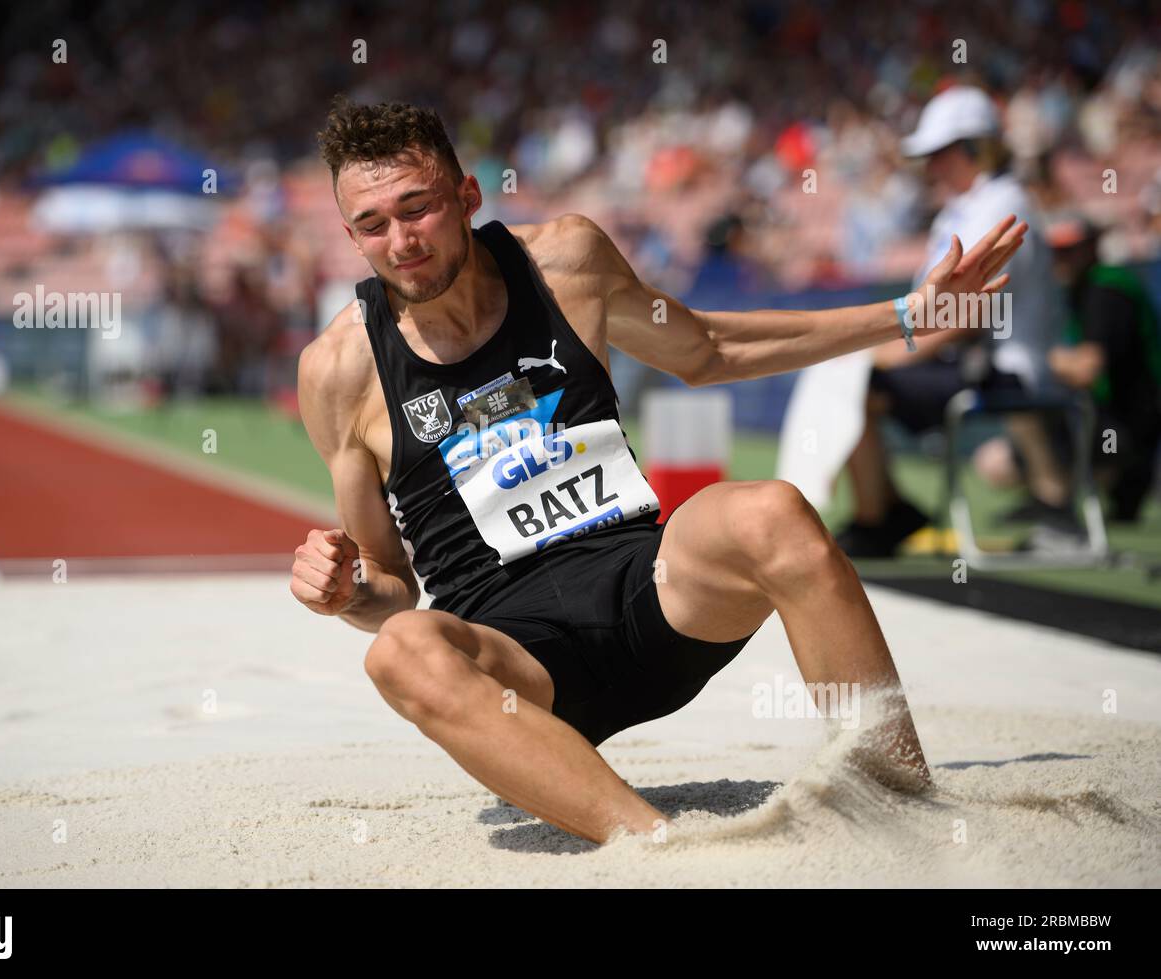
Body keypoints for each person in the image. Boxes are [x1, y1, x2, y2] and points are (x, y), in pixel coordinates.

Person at [290, 97, 1025, 845]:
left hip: (653, 599)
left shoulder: (566, 261)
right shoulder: (339, 371)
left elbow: (706, 348)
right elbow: (389, 583)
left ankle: (902, 799)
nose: (401, 240)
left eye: (417, 209)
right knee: (399, 651)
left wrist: (906, 316)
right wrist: (346, 588)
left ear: (468, 197)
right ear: (350, 235)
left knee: (773, 509)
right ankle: (662, 850)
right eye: (373, 225)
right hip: (524, 668)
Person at [834, 85, 1063, 557]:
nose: (932, 166)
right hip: (973, 361)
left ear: (975, 148)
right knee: (848, 380)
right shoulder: (966, 208)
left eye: (941, 153)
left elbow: (971, 312)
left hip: (1003, 367)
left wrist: (892, 353)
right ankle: (885, 512)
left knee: (854, 383)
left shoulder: (1002, 202)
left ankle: (884, 516)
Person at [976, 213, 1161, 522]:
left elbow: (1086, 369)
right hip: (1111, 425)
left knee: (1018, 398)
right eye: (1056, 250)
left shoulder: (1106, 288)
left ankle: (1055, 500)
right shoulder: (1081, 288)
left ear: (1091, 247)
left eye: (1070, 249)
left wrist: (1029, 355)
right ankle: (1050, 494)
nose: (1061, 259)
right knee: (995, 462)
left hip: (1123, 434)